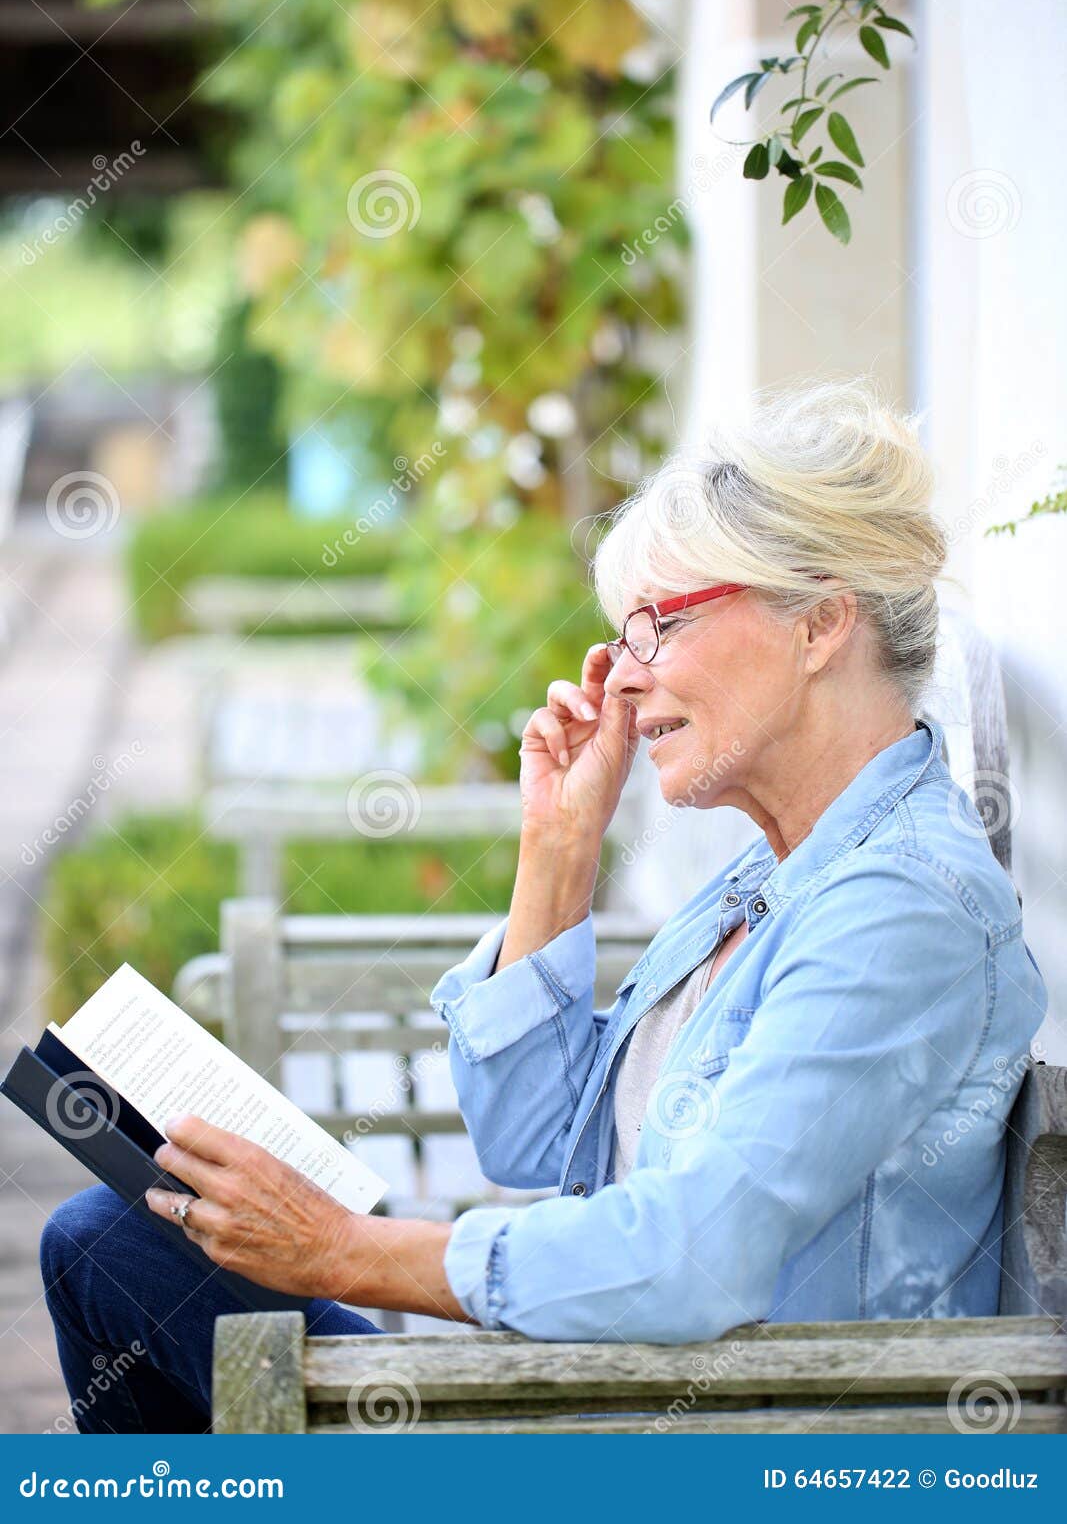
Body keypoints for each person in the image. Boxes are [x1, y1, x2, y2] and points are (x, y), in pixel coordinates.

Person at [40, 382, 1046, 1430]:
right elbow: (530, 1137)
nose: (620, 680)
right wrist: (558, 846)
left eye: (657, 626)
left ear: (819, 623)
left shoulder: (897, 911)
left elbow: (691, 1255)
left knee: (108, 1251)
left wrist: (344, 1246)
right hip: (609, 1399)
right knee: (111, 1236)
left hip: (713, 1454)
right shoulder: (772, 876)